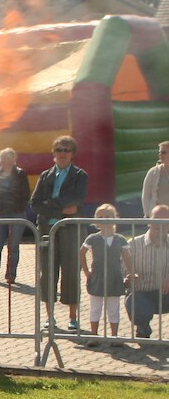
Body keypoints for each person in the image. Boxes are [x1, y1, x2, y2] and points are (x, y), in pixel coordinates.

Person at [31, 135, 89, 331]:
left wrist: (50, 205)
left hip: (70, 229)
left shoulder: (80, 175)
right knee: (47, 272)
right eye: (59, 149)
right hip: (46, 229)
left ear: (72, 154)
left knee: (71, 271)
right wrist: (60, 209)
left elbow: (75, 202)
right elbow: (35, 203)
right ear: (53, 153)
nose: (62, 153)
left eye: (66, 150)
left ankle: (73, 317)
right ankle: (50, 318)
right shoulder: (45, 176)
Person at [79, 204, 132, 343]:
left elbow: (127, 257)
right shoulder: (92, 238)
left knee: (113, 309)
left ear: (114, 219)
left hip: (115, 278)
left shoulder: (120, 239)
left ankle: (114, 337)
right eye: (101, 217)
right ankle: (94, 336)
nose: (104, 219)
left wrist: (131, 273)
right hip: (97, 277)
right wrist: (86, 270)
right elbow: (81, 253)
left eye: (108, 216)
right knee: (95, 308)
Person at [0, 147, 31, 284]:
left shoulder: (20, 173)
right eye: (3, 159)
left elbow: (25, 193)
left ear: (14, 159)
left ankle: (11, 274)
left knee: (13, 246)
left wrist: (19, 208)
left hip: (16, 213)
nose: (5, 161)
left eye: (8, 158)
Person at [125, 204, 169, 339]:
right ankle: (143, 328)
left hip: (166, 293)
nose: (160, 225)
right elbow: (121, 272)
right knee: (133, 301)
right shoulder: (133, 244)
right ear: (149, 221)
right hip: (142, 293)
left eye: (165, 221)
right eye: (156, 220)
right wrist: (128, 278)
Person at [142, 142, 169, 218]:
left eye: (164, 152)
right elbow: (146, 195)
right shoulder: (153, 172)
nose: (160, 155)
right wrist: (147, 214)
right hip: (158, 216)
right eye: (159, 152)